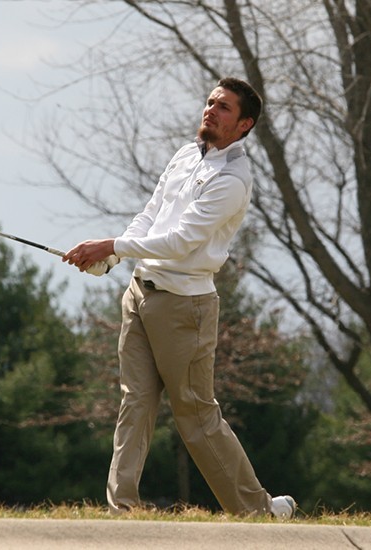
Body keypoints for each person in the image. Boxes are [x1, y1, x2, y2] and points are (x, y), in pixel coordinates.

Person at [63, 77, 295, 518]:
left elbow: (179, 242)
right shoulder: (187, 154)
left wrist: (111, 246)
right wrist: (114, 259)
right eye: (209, 102)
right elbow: (151, 215)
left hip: (184, 308)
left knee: (196, 418)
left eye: (223, 107)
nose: (210, 110)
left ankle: (258, 510)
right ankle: (121, 508)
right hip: (140, 294)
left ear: (244, 124)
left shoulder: (233, 179)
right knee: (135, 402)